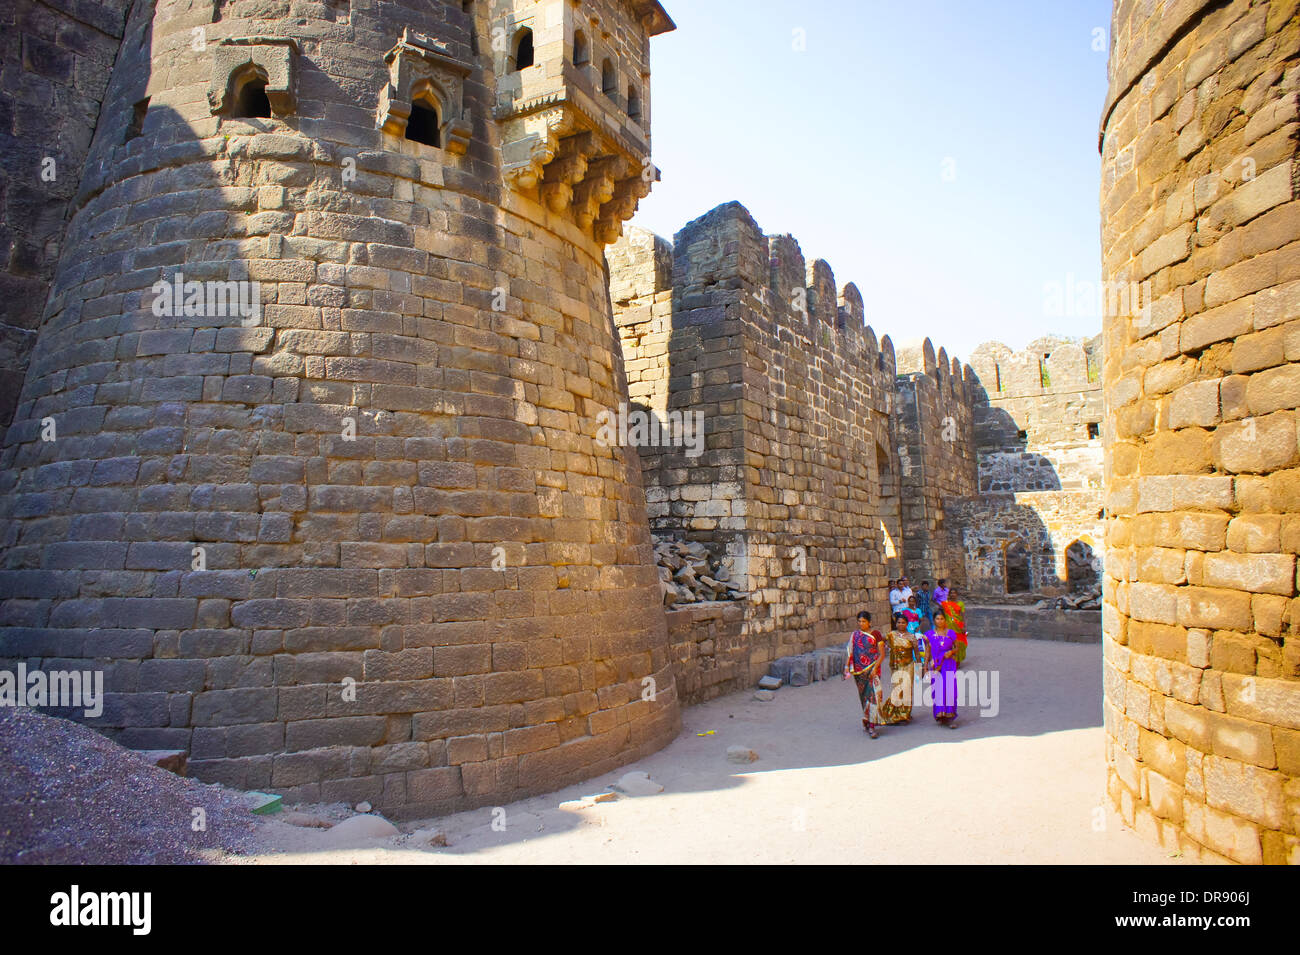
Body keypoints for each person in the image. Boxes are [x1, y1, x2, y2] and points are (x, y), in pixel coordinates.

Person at [844, 610, 885, 738]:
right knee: (864, 697)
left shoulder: (876, 634)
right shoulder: (855, 635)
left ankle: (872, 726)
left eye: (864, 621)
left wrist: (875, 668)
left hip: (872, 669)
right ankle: (867, 719)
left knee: (874, 696)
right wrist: (846, 667)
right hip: (859, 671)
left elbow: (882, 654)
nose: (861, 624)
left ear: (869, 622)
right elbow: (850, 652)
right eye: (859, 621)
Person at [879, 612, 917, 725]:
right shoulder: (891, 635)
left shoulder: (911, 637)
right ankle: (893, 713)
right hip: (895, 666)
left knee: (906, 689)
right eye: (899, 622)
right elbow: (880, 640)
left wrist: (921, 669)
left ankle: (905, 714)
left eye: (903, 622)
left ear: (907, 624)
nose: (901, 624)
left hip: (908, 665)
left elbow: (917, 655)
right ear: (896, 624)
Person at [926, 611, 960, 728]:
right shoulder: (929, 634)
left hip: (948, 663)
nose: (939, 621)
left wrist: (951, 652)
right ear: (934, 620)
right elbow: (927, 651)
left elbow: (957, 647)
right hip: (936, 665)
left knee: (949, 688)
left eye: (941, 619)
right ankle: (941, 714)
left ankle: (950, 717)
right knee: (938, 689)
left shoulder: (951, 633)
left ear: (945, 620)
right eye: (937, 619)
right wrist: (925, 665)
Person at [940, 585, 968, 665]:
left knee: (959, 643)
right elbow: (942, 615)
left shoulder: (960, 604)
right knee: (949, 643)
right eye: (951, 593)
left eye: (954, 593)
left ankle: (957, 661)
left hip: (958, 626)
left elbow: (963, 615)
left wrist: (964, 626)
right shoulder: (945, 604)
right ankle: (950, 661)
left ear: (957, 594)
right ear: (949, 594)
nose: (953, 594)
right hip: (948, 626)